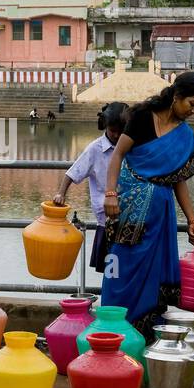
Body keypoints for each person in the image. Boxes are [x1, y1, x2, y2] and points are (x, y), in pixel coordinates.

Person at [102, 72, 194, 333]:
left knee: (154, 270)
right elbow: (117, 155)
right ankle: (113, 329)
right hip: (128, 209)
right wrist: (110, 193)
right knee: (120, 265)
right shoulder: (141, 116)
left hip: (160, 216)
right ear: (176, 96)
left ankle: (146, 335)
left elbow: (178, 178)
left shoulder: (184, 135)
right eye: (192, 104)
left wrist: (192, 218)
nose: (193, 111)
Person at [53, 102, 128, 272]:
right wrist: (61, 194)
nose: (116, 135)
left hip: (130, 216)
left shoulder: (131, 146)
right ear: (105, 126)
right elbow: (72, 173)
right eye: (112, 131)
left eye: (120, 131)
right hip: (107, 219)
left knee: (128, 269)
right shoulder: (95, 149)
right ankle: (110, 298)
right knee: (112, 270)